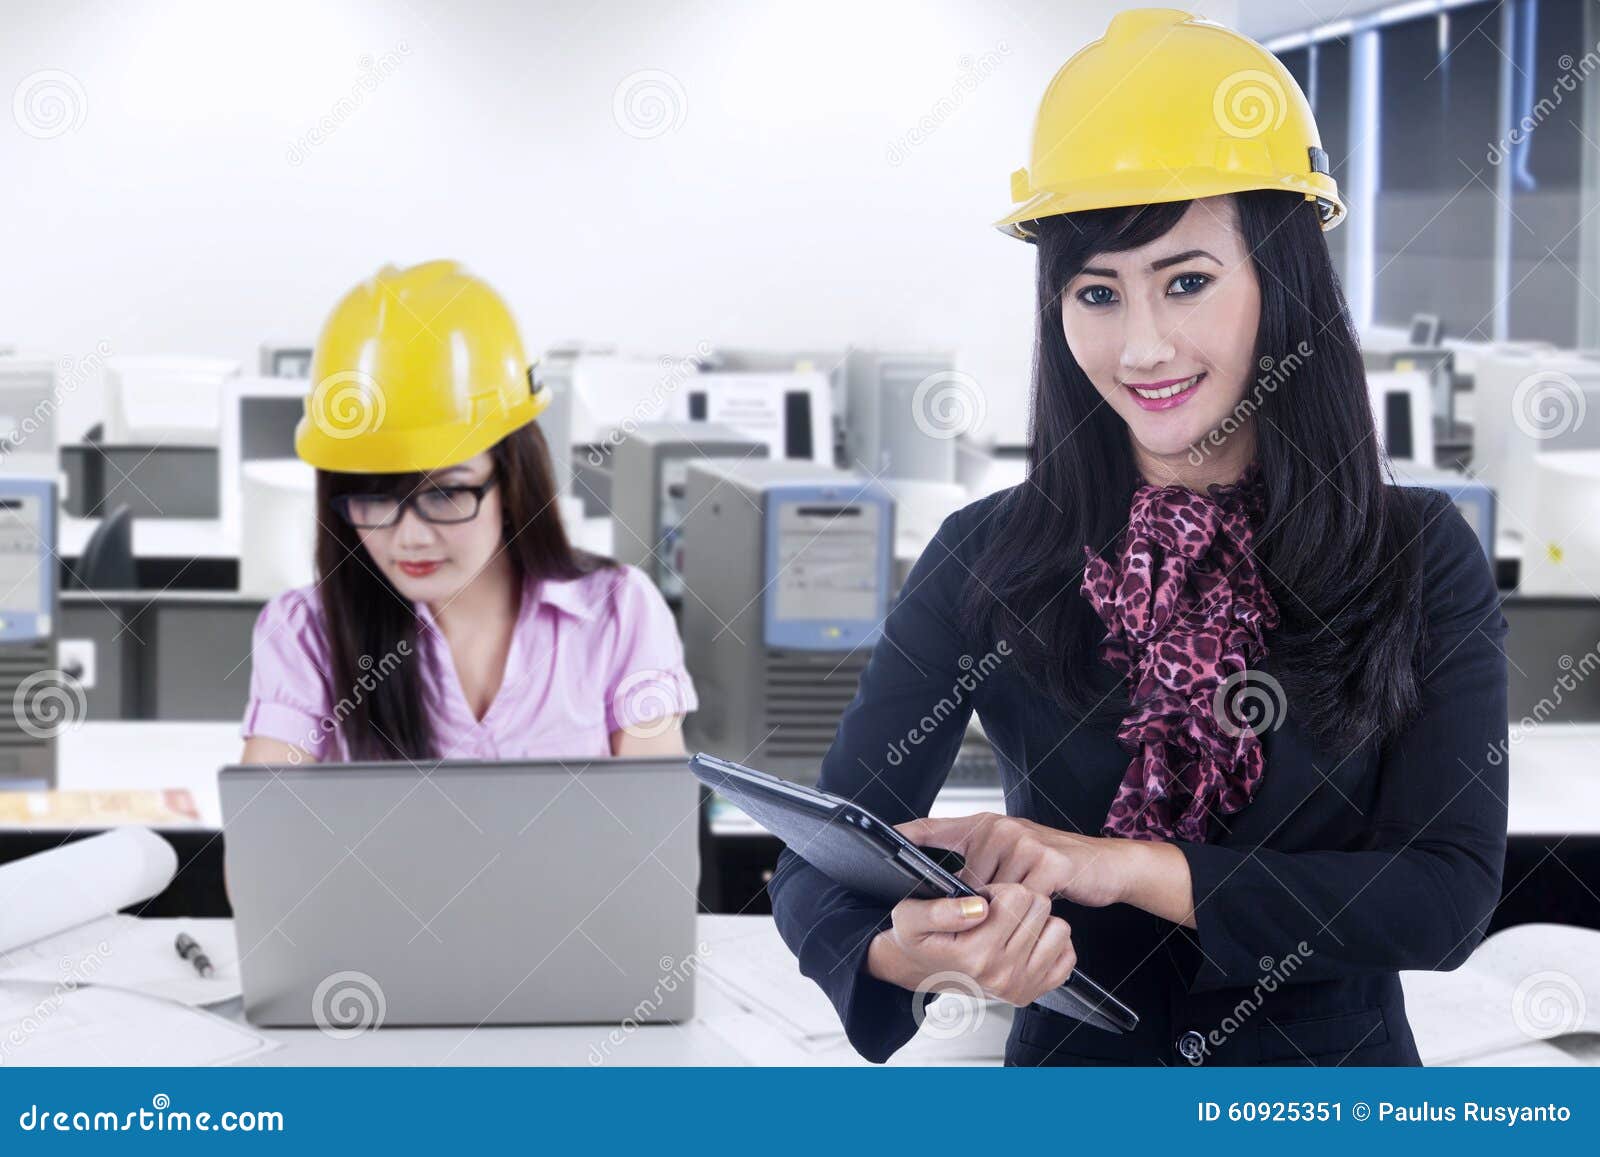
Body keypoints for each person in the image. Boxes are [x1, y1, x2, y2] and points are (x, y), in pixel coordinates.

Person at [767, 8, 1508, 1066]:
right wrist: (904, 949)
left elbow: (1443, 894)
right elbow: (821, 856)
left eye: (1187, 279)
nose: (1142, 344)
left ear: (1280, 280)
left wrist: (1119, 864)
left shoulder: (1415, 551)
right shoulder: (992, 551)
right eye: (1097, 292)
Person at [239, 260, 696, 765]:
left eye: (444, 495)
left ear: (512, 479)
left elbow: (657, 831)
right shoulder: (305, 632)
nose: (408, 537)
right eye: (373, 497)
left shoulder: (619, 611)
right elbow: (271, 827)